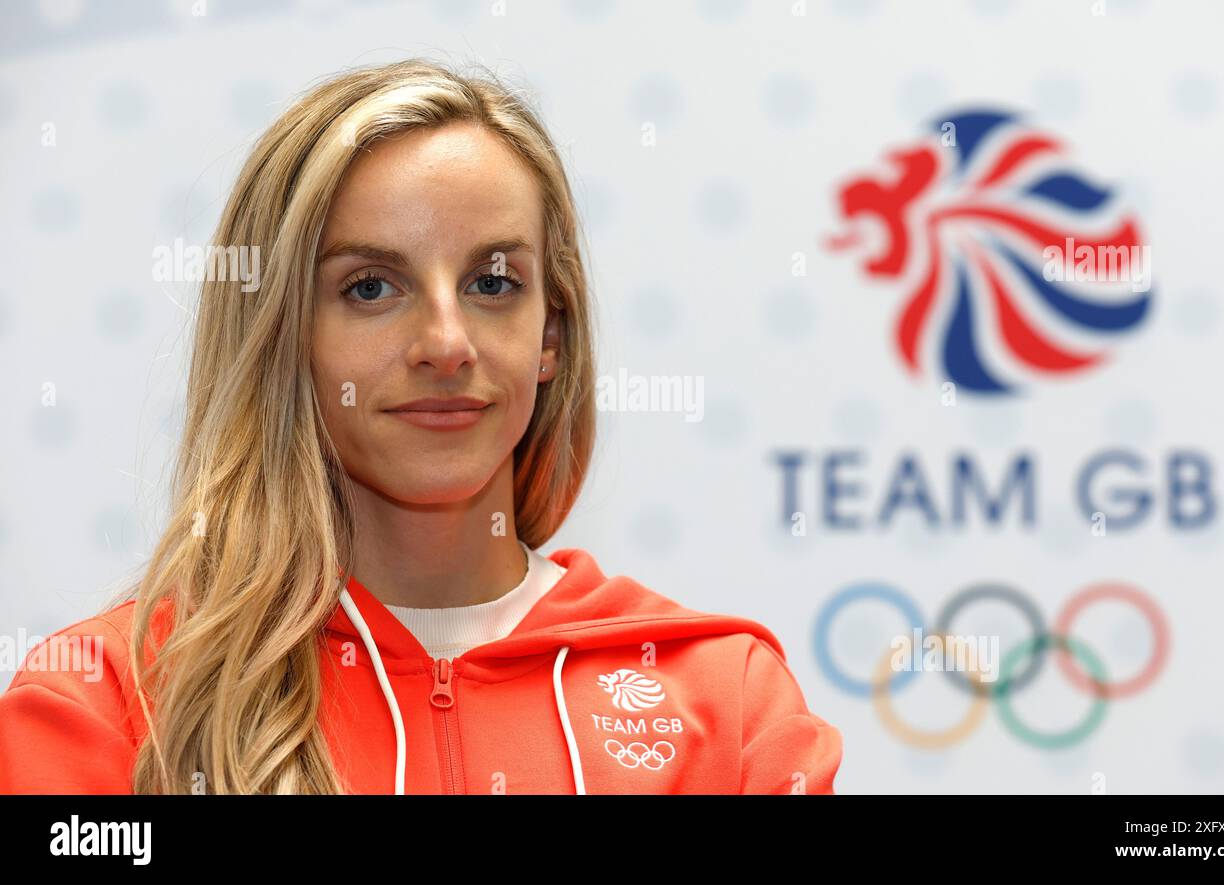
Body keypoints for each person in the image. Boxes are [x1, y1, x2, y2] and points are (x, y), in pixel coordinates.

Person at [0, 58, 842, 795]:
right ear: (282, 336)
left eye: (493, 282)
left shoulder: (725, 702)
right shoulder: (108, 702)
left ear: (551, 333)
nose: (446, 343)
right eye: (371, 286)